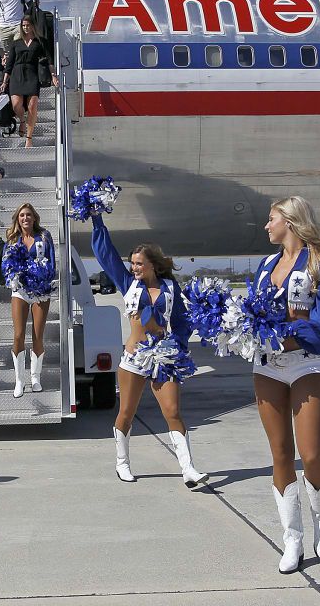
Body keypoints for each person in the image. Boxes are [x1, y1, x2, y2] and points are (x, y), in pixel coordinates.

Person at [250, 197, 320, 574]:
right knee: (279, 454)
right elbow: (257, 310)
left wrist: (286, 332)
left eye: (270, 219)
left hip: (305, 364)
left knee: (312, 454)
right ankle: (293, 540)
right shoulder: (265, 265)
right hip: (267, 367)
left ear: (289, 222)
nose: (266, 226)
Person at [90, 210, 209, 490]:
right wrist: (97, 220)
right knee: (126, 413)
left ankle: (188, 469)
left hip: (164, 358)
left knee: (173, 411)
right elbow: (106, 254)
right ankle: (122, 463)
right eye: (132, 263)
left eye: (139, 264)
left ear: (153, 265)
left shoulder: (170, 287)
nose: (134, 268)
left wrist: (178, 342)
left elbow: (181, 321)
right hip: (133, 358)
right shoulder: (127, 283)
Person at [6, 203, 55, 398]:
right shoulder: (13, 238)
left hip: (40, 290)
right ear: (18, 219)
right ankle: (20, 380)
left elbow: (51, 262)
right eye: (22, 216)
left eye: (28, 215)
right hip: (20, 291)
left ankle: (35, 378)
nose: (25, 218)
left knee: (37, 335)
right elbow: (6, 262)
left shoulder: (44, 236)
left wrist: (43, 277)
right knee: (18, 335)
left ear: (34, 217)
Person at [1, 14, 60, 148]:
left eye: (28, 25)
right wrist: (5, 81)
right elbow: (9, 64)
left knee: (32, 106)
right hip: (17, 75)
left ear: (33, 26)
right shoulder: (16, 43)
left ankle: (29, 137)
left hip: (32, 74)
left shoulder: (40, 42)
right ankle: (22, 121)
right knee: (16, 105)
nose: (26, 28)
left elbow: (50, 60)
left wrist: (53, 75)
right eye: (23, 25)